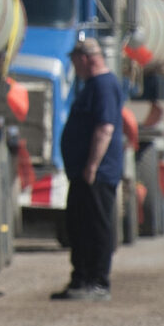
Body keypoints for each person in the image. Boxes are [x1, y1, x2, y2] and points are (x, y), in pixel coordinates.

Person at [54, 37, 128, 301]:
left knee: (96, 226)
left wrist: (92, 165)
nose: (74, 67)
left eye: (75, 61)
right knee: (79, 226)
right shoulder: (93, 85)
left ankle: (98, 282)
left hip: (96, 172)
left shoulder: (104, 86)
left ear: (86, 59)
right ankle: (81, 279)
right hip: (84, 172)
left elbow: (105, 128)